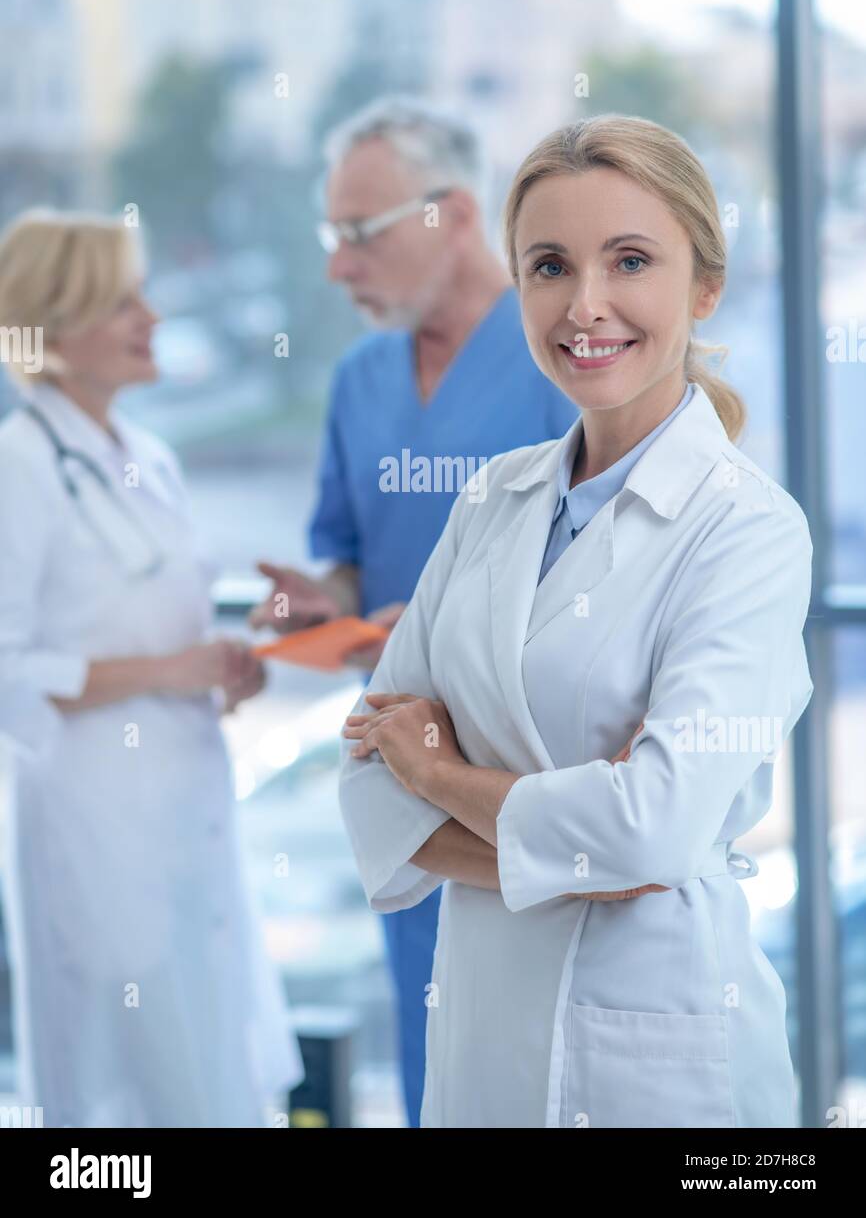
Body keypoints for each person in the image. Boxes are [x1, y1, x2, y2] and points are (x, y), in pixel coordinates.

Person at [338, 114, 814, 1128]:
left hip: (657, 1065)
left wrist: (438, 775)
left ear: (702, 287)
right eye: (548, 266)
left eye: (629, 260)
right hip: (476, 1049)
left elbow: (652, 828)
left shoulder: (746, 531)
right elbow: (367, 795)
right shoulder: (490, 499)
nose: (583, 305)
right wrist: (581, 854)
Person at [250, 95, 578, 1126]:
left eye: (359, 234)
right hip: (400, 778)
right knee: (438, 1063)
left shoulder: (561, 366)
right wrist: (326, 602)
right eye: (329, 237)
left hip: (529, 776)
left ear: (452, 213)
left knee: (550, 1058)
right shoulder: (359, 380)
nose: (337, 266)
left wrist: (459, 626)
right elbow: (345, 558)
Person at [0, 210, 304, 1127]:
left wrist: (230, 664)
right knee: (124, 1093)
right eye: (121, 302)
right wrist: (169, 670)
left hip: (186, 805)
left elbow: (161, 630)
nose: (153, 318)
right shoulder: (18, 463)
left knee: (210, 1068)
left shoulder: (152, 460)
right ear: (52, 330)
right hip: (93, 824)